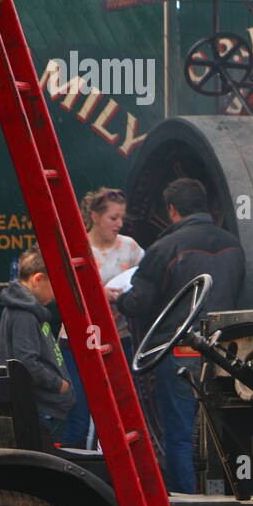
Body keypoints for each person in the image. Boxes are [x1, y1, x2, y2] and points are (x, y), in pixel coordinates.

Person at [114, 178, 245, 493]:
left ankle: (187, 501)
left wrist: (118, 298)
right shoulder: (233, 244)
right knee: (222, 428)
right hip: (225, 348)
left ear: (172, 210)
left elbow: (140, 302)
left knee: (180, 431)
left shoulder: (164, 248)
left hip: (180, 350)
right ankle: (225, 495)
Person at [60, 187, 144, 449]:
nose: (119, 224)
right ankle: (74, 470)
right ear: (95, 216)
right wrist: (97, 293)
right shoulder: (76, 247)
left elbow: (148, 280)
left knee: (122, 410)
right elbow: (61, 290)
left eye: (122, 218)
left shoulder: (131, 248)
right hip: (78, 339)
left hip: (119, 338)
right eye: (113, 218)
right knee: (80, 410)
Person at [0, 248, 74, 441]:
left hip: (41, 407)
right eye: (54, 285)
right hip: (41, 408)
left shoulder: (25, 311)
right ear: (38, 279)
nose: (56, 295)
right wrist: (59, 385)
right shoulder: (24, 315)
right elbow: (26, 362)